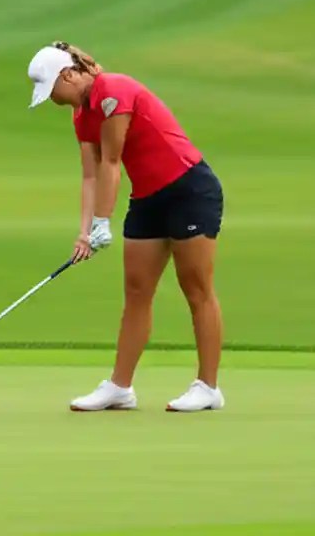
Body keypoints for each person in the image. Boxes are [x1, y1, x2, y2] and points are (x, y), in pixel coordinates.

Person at [27, 42, 225, 412]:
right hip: (149, 198)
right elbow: (89, 175)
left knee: (196, 288)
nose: (53, 100)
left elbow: (112, 162)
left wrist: (104, 220)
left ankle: (208, 386)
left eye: (52, 91)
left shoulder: (114, 91)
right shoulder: (79, 114)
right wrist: (85, 231)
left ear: (67, 76)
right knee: (136, 291)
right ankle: (120, 387)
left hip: (190, 190)